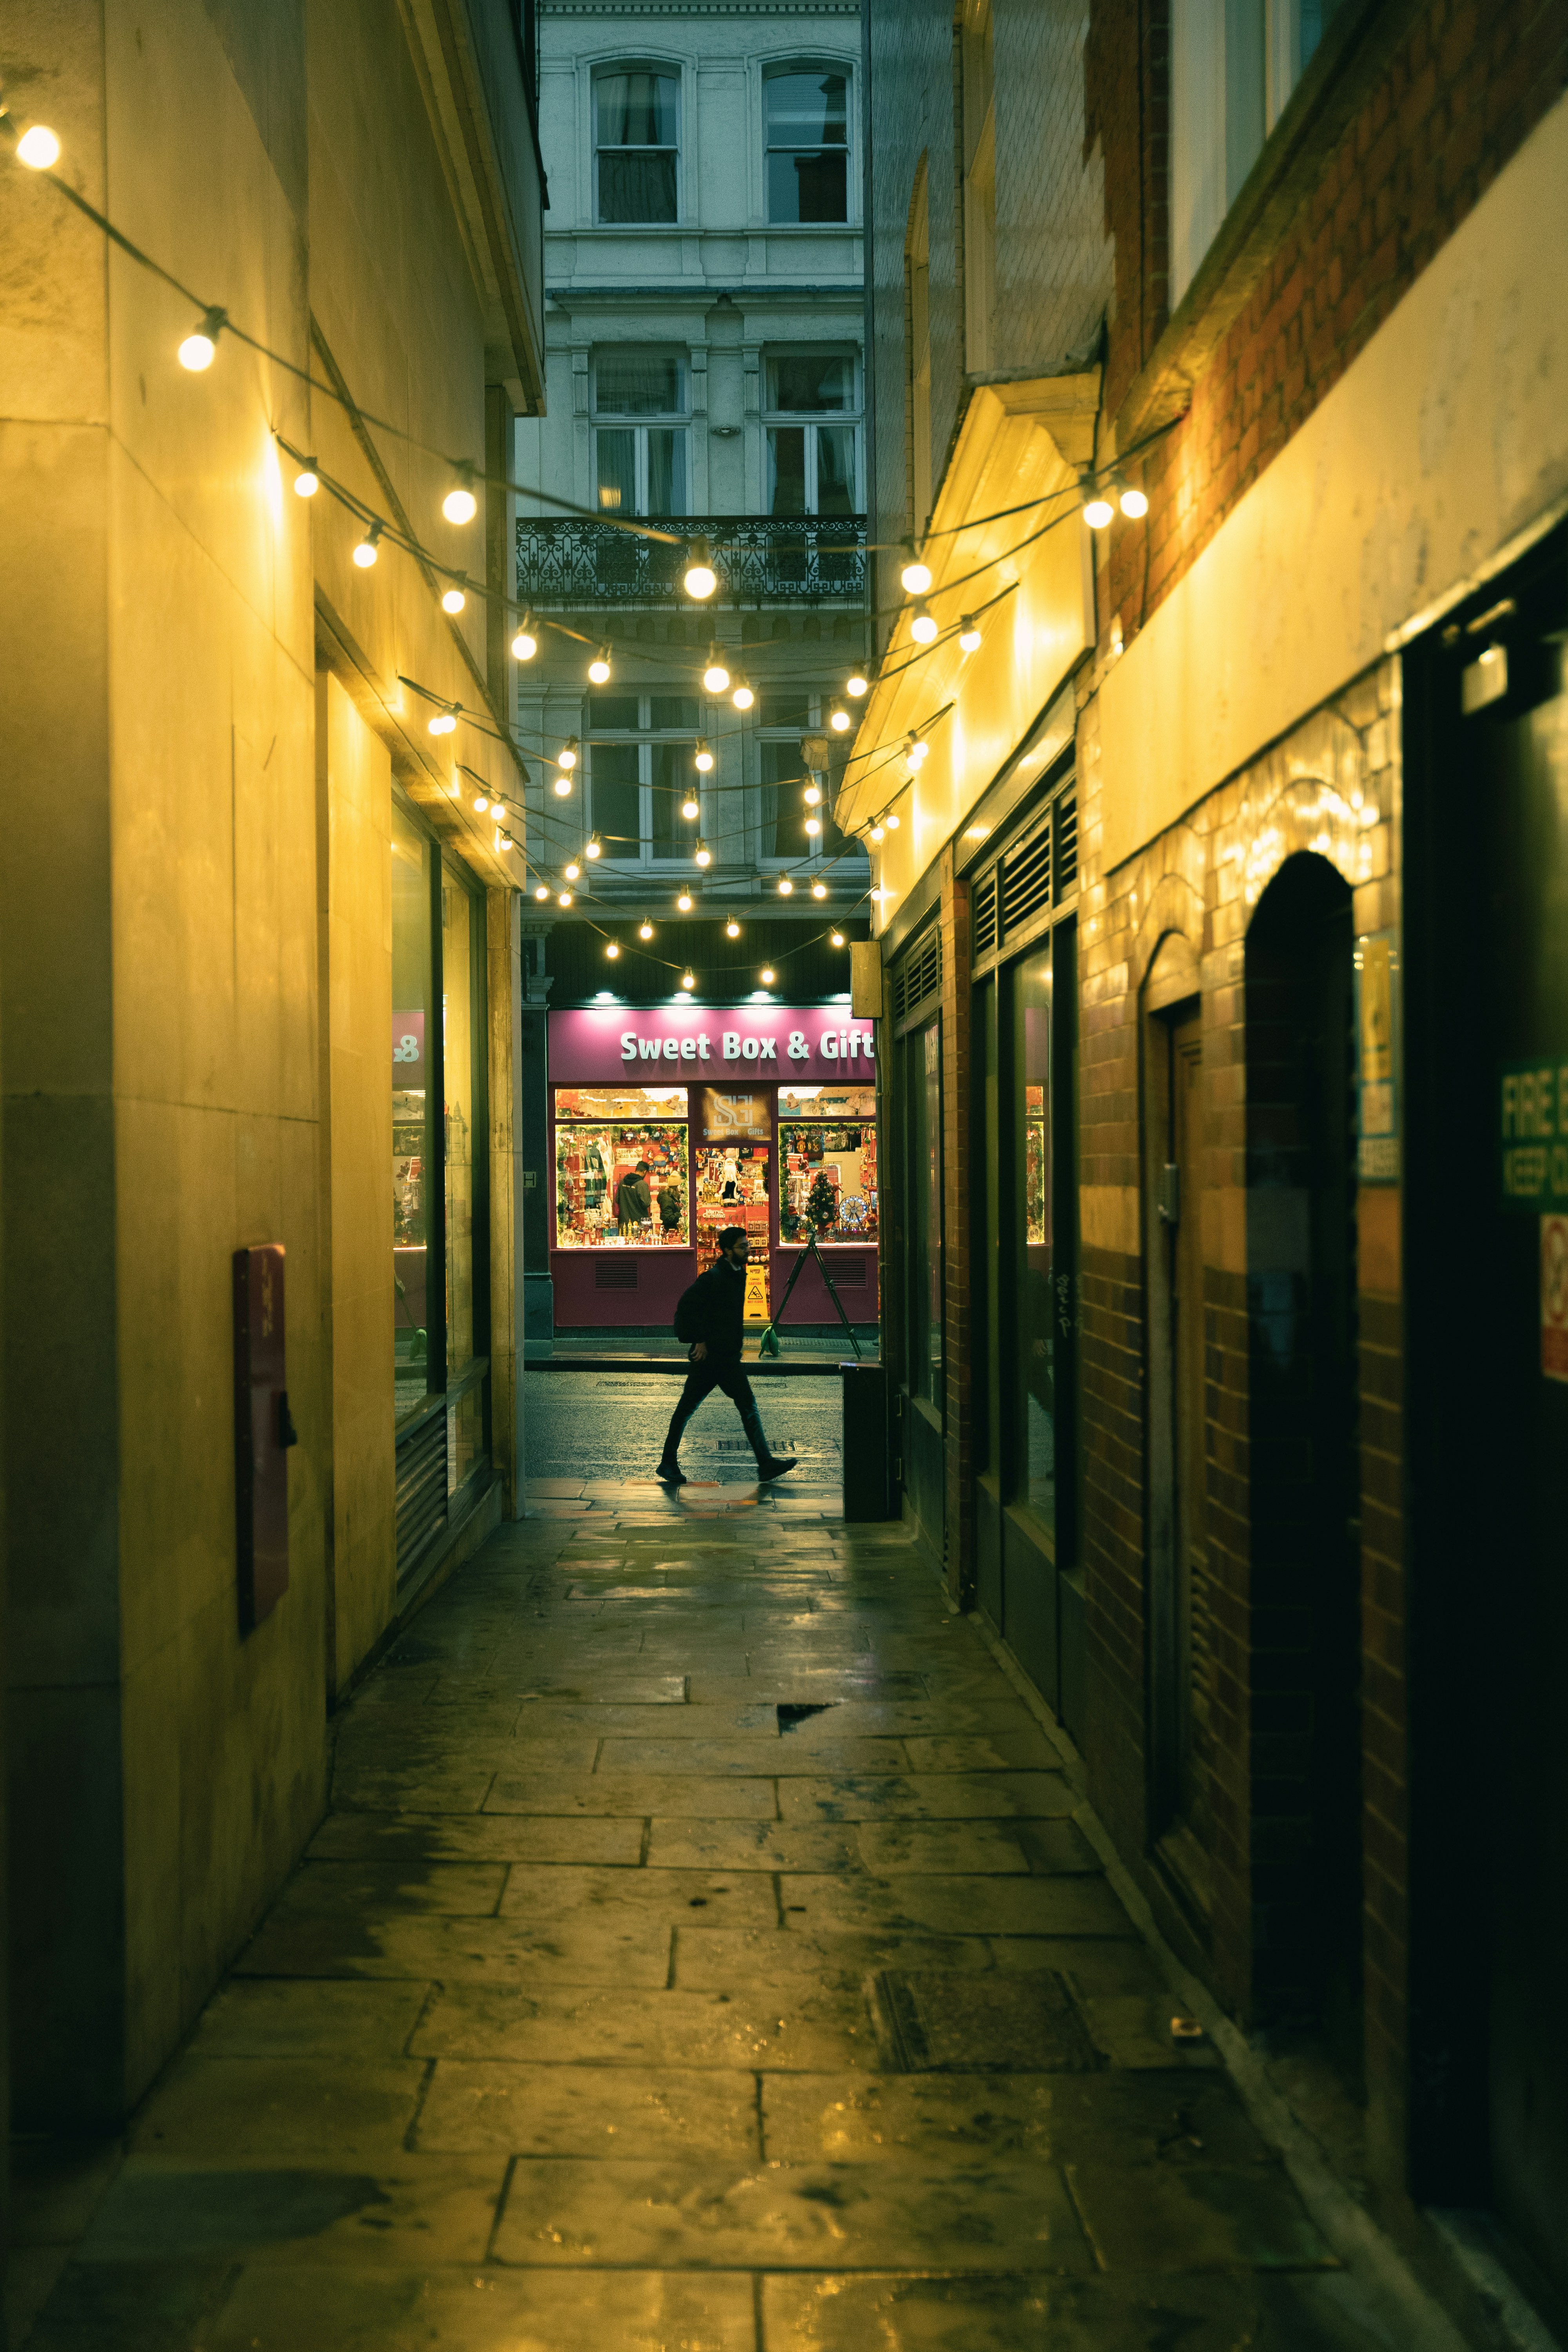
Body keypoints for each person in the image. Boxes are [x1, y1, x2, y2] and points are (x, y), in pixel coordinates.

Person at [657, 1227, 797, 1485]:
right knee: (690, 1410)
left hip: (727, 1358)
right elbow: (687, 1306)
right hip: (711, 1359)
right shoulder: (714, 1277)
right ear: (727, 1250)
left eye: (747, 1246)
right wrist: (699, 1340)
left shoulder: (739, 1274)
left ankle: (764, 1464)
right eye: (742, 1247)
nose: (747, 1251)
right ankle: (668, 1463)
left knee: (744, 1407)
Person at [614, 1159, 652, 1236]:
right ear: (645, 1172)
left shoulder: (622, 1182)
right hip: (641, 1224)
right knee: (642, 1245)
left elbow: (617, 1200)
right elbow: (646, 1203)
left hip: (625, 1224)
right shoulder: (642, 1184)